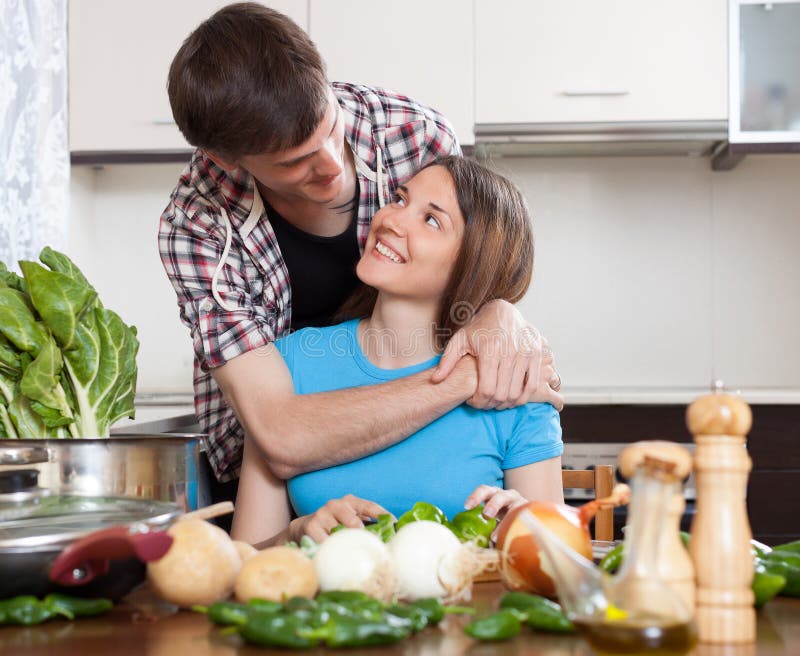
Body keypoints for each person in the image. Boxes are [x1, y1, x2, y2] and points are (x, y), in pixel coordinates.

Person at [158, 3, 563, 517]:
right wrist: (466, 380)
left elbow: (476, 249)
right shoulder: (196, 224)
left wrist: (499, 310)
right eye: (295, 161)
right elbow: (280, 434)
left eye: (331, 128)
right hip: (285, 442)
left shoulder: (414, 133)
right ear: (227, 160)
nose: (332, 165)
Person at [232, 156, 564, 546]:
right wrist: (295, 533)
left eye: (432, 220)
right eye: (400, 199)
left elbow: (558, 561)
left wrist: (521, 530)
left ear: (475, 263)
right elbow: (244, 561)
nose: (391, 219)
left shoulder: (510, 383)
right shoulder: (289, 364)